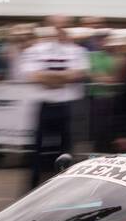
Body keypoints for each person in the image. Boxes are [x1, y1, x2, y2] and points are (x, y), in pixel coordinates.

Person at [16, 16, 90, 190]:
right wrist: (62, 78)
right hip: (44, 105)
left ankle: (62, 190)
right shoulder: (34, 50)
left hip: (68, 106)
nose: (59, 29)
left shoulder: (77, 51)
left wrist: (48, 78)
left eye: (63, 25)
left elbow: (78, 74)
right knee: (38, 151)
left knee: (66, 151)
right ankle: (31, 190)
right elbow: (33, 76)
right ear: (47, 27)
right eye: (55, 25)